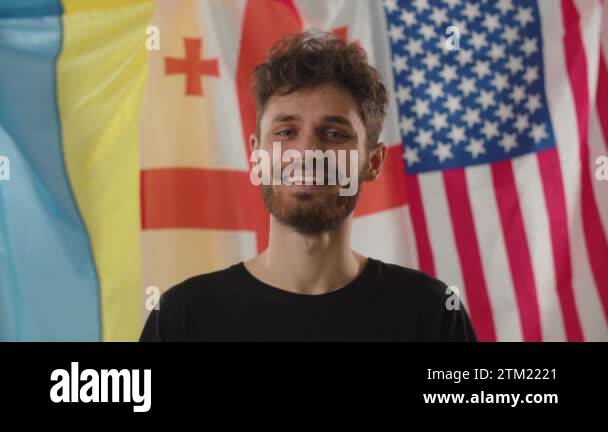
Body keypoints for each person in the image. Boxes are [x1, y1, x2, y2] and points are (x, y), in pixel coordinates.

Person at [140, 30, 477, 341]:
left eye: (334, 134)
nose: (307, 153)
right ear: (256, 155)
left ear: (372, 162)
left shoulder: (432, 316)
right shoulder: (181, 318)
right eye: (286, 132)